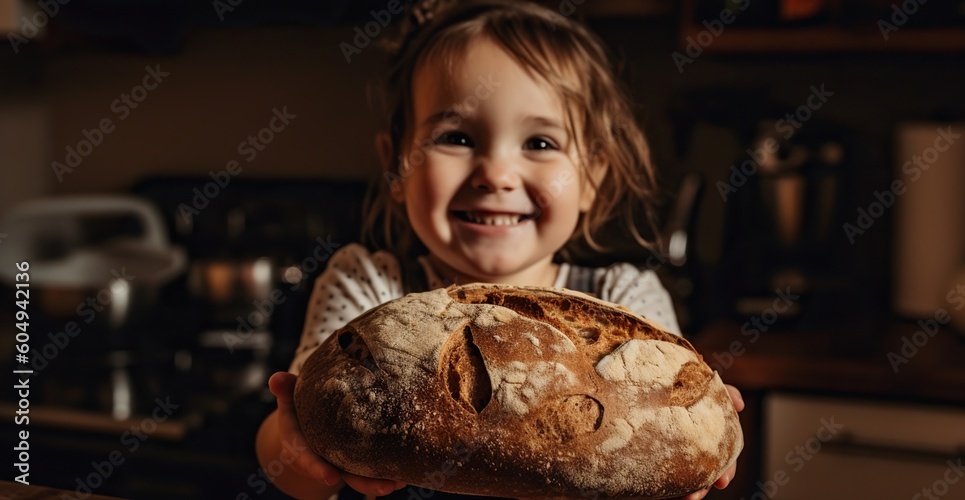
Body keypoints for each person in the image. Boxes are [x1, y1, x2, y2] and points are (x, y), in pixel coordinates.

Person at [255, 1, 743, 498]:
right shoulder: (366, 285)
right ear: (396, 165)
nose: (496, 174)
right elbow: (302, 459)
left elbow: (667, 444)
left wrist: (694, 451)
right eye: (457, 137)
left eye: (540, 144)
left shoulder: (629, 297)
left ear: (593, 174)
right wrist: (295, 445)